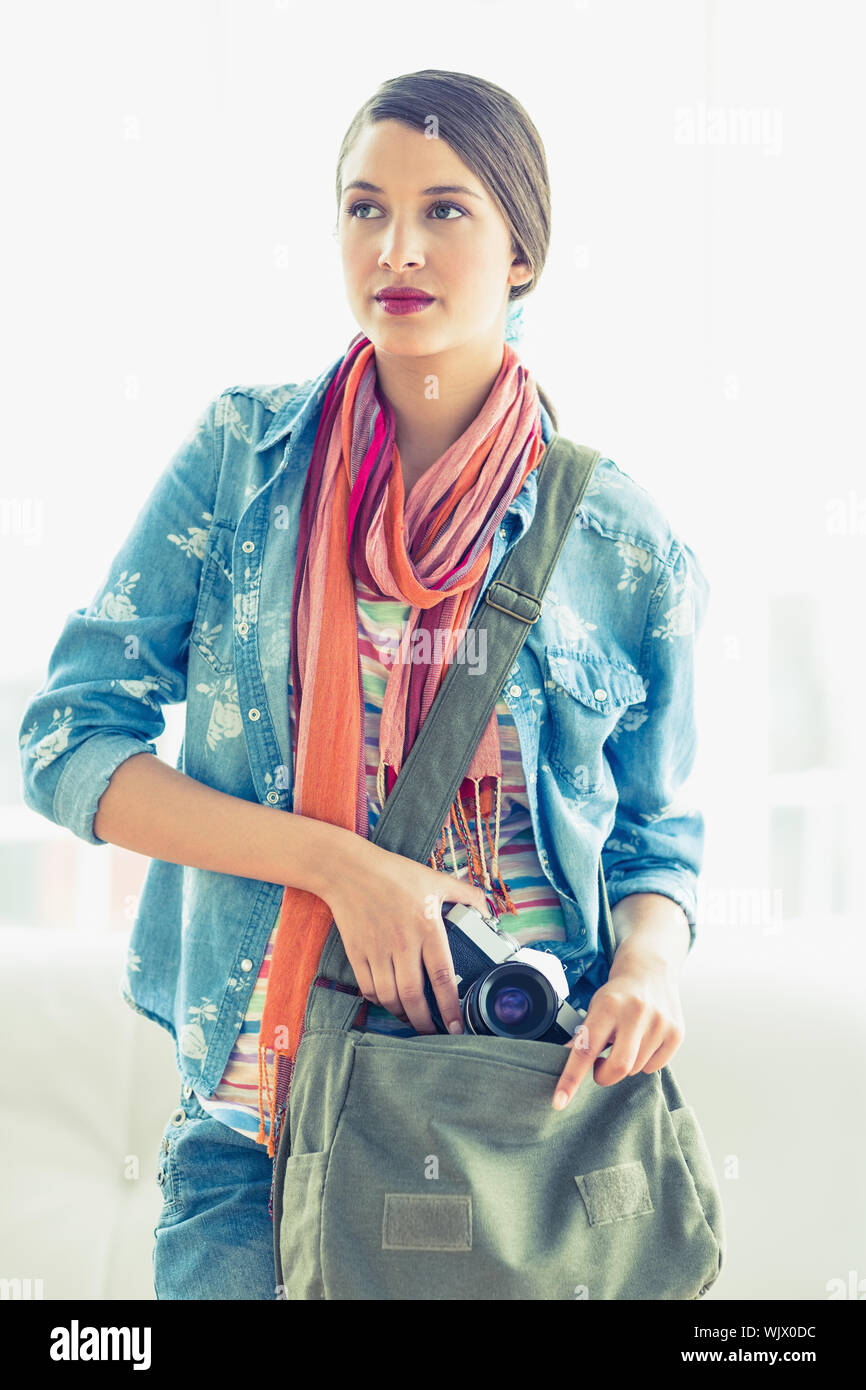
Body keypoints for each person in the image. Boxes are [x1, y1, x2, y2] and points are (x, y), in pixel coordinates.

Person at [18, 68, 710, 1301]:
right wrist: (344, 868)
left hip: (515, 1128)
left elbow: (658, 836)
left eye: (445, 210)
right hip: (260, 1135)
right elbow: (67, 743)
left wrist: (648, 967)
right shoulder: (243, 461)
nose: (396, 246)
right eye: (363, 208)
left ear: (520, 253)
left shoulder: (620, 541)